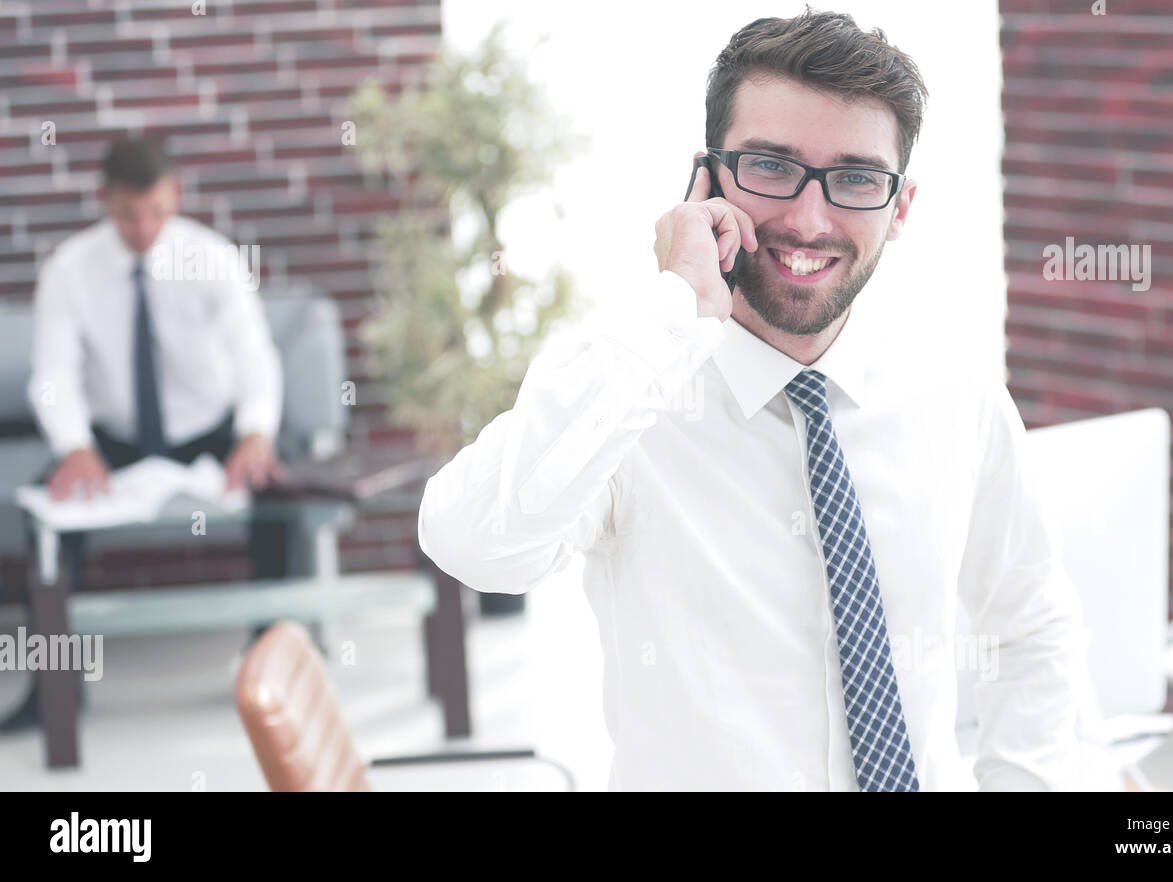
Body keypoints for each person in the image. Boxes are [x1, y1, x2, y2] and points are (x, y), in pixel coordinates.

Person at [418, 10, 1094, 790]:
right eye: (771, 167)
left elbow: (1030, 623)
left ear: (899, 208)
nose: (808, 220)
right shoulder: (631, 394)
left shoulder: (956, 393)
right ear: (706, 180)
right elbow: (470, 542)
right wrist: (678, 306)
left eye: (856, 179)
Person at [1, 137, 297, 733]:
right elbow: (53, 374)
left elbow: (253, 355)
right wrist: (75, 449)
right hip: (115, 438)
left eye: (158, 212)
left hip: (208, 428)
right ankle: (56, 689)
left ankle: (275, 671)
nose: (144, 228)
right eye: (130, 214)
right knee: (47, 517)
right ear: (105, 200)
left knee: (280, 497)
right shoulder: (70, 269)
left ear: (176, 196)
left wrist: (256, 433)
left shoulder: (211, 257)